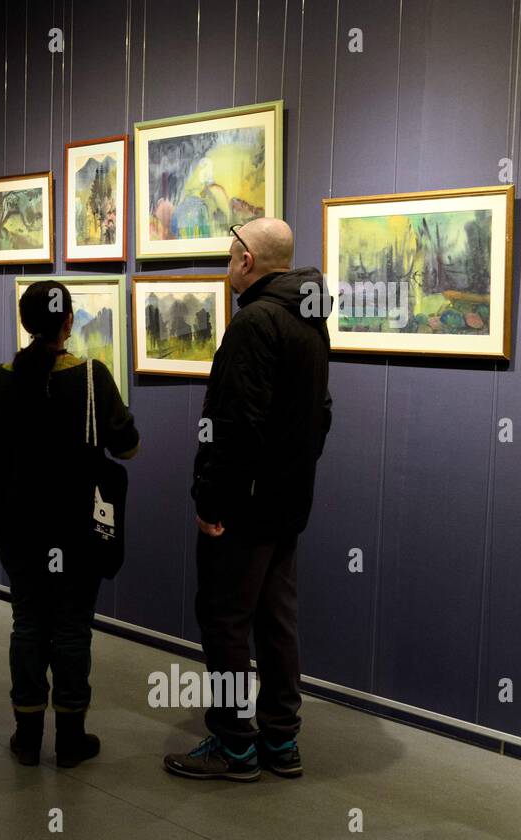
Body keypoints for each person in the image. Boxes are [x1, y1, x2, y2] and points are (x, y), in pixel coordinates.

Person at [164, 217, 332, 782]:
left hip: (244, 506)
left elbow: (232, 425)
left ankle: (236, 744)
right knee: (276, 617)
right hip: (287, 501)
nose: (227, 261)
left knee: (226, 620)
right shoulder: (308, 318)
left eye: (231, 252)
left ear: (247, 261)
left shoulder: (255, 323)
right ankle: (282, 741)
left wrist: (211, 501)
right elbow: (320, 415)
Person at [0, 280, 140, 768]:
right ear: (67, 322)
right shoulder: (90, 378)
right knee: (71, 628)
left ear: (26, 321)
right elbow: (127, 446)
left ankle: (26, 737)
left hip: (19, 529)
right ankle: (70, 738)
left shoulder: (1, 377)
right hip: (76, 530)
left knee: (27, 624)